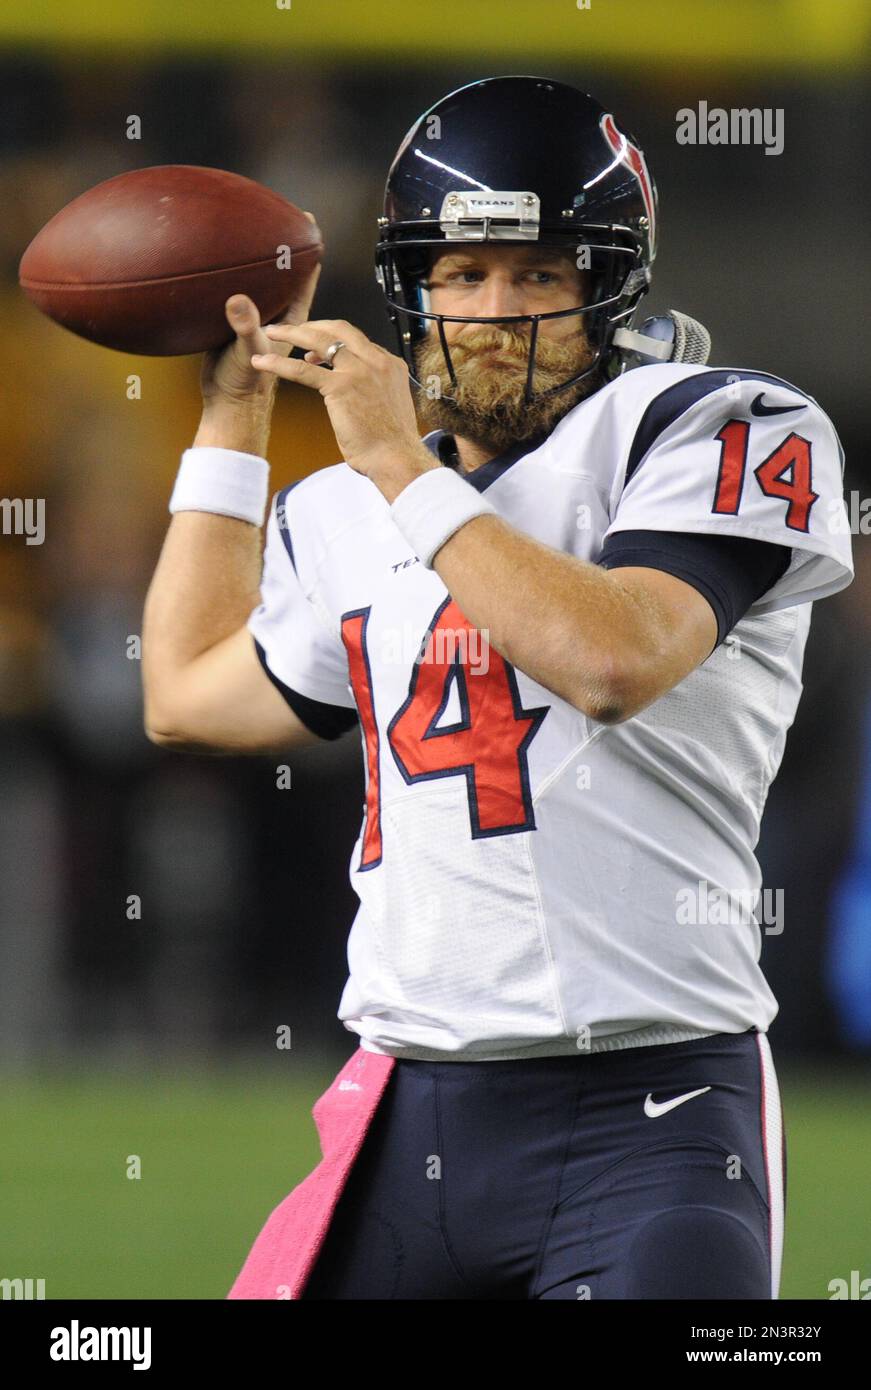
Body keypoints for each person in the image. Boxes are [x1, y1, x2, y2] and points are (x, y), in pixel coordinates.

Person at [142, 77, 854, 1299]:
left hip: (655, 1105)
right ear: (413, 284)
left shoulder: (713, 424)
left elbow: (616, 659)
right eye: (462, 273)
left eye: (539, 274)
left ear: (608, 284)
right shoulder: (344, 507)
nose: (494, 311)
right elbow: (187, 692)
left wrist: (396, 470)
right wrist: (234, 415)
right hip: (408, 1096)